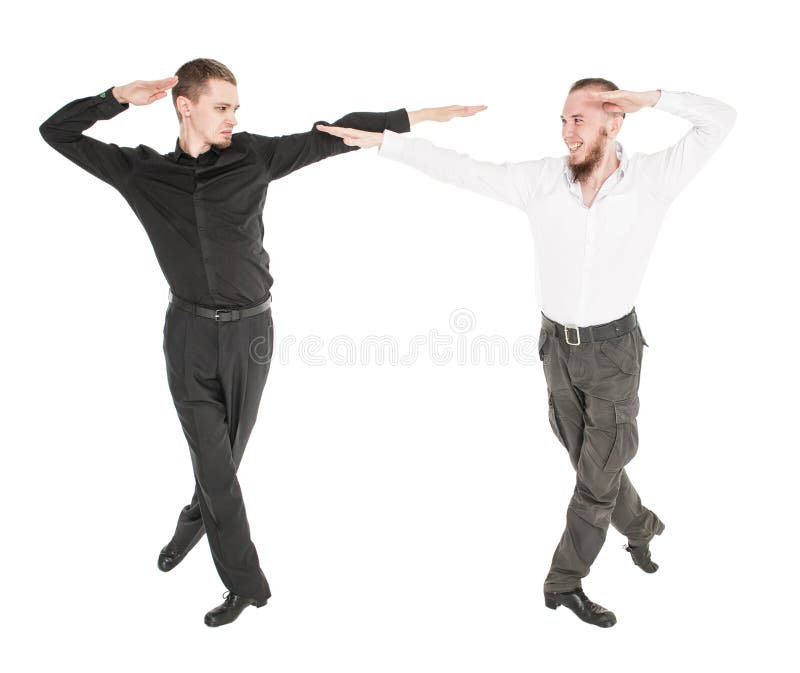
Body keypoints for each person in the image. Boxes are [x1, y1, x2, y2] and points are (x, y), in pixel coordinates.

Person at [39, 58, 480, 627]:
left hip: (252, 334)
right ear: (185, 106)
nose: (231, 119)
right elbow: (57, 132)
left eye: (235, 110)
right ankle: (246, 585)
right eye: (221, 108)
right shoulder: (140, 173)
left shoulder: (252, 156)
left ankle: (192, 523)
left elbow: (331, 133)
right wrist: (116, 96)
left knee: (223, 459)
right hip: (189, 336)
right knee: (217, 467)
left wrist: (415, 117)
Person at [317, 78, 737, 627]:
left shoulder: (655, 179)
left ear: (615, 122)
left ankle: (565, 582)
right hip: (556, 348)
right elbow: (462, 169)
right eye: (563, 120)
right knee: (591, 462)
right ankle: (642, 527)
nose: (567, 132)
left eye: (579, 120)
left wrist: (653, 99)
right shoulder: (542, 181)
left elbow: (721, 119)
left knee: (596, 476)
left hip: (614, 353)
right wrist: (386, 142)